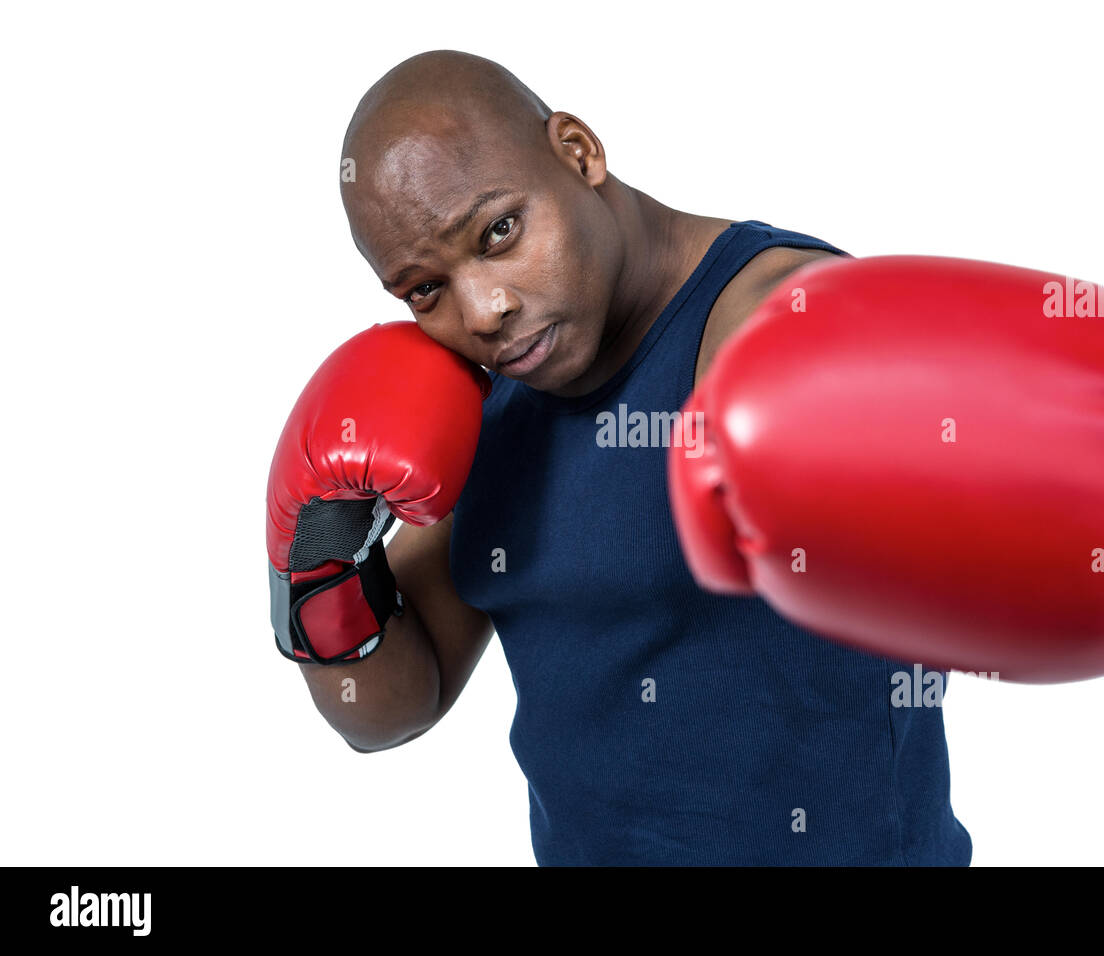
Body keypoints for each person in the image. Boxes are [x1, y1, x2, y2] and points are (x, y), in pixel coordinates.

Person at [286, 49, 973, 866]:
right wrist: (320, 551)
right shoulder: (491, 413)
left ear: (579, 152)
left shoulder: (766, 301)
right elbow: (388, 710)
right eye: (425, 289)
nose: (486, 308)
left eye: (499, 232)